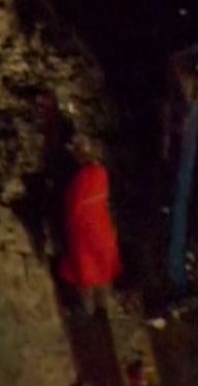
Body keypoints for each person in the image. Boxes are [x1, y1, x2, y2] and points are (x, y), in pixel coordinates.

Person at [57, 131, 122, 316]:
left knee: (85, 277)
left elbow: (72, 208)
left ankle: (87, 313)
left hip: (84, 233)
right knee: (103, 275)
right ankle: (104, 309)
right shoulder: (101, 173)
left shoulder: (79, 179)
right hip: (102, 230)